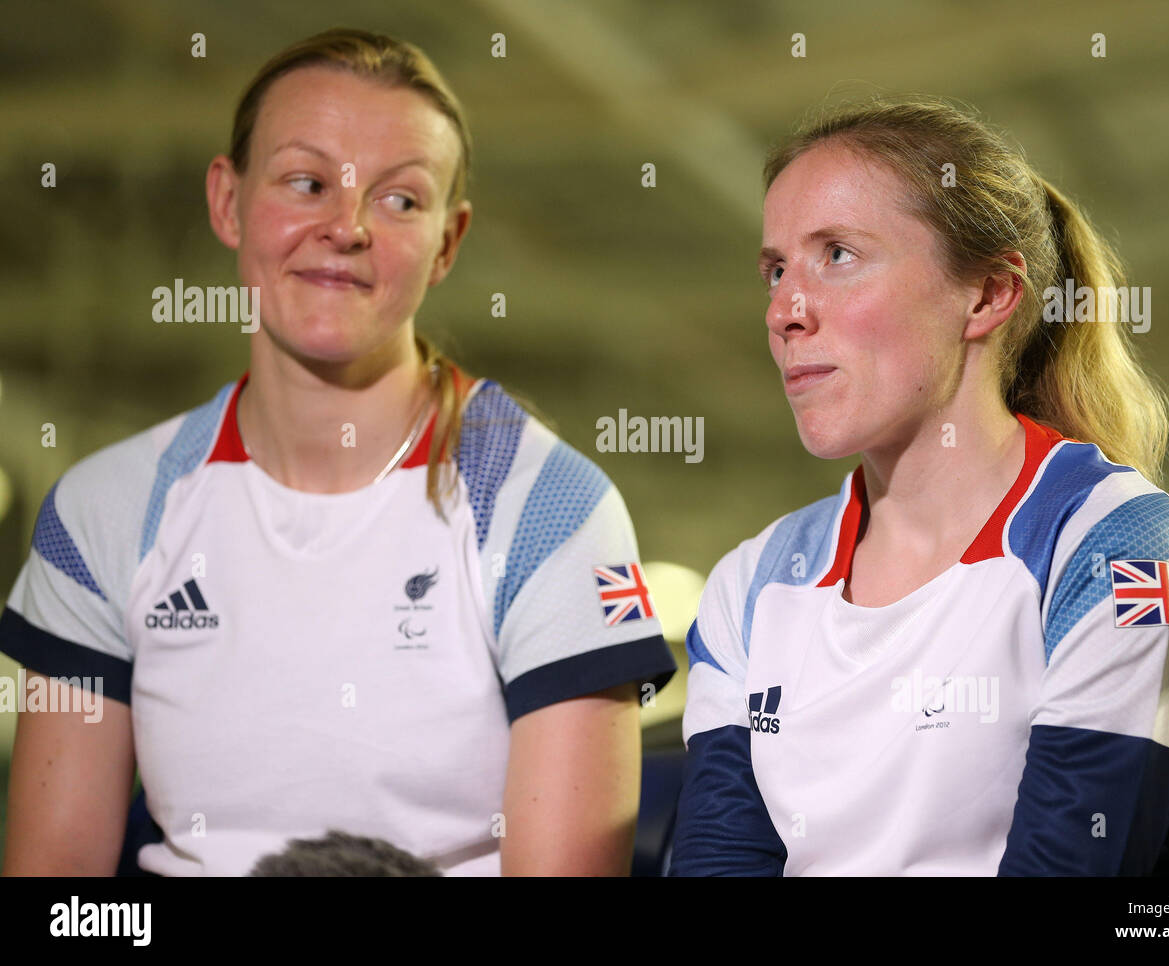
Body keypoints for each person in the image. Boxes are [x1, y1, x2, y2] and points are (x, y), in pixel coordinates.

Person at [0, 28, 674, 876]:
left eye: (399, 200)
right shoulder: (105, 511)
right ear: (227, 202)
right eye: (307, 182)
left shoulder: (550, 511)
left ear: (448, 243)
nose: (345, 226)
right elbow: (61, 903)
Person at [668, 96, 1169, 876]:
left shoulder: (1118, 549)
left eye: (836, 254)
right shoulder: (752, 585)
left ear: (987, 295)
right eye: (775, 269)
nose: (783, 310)